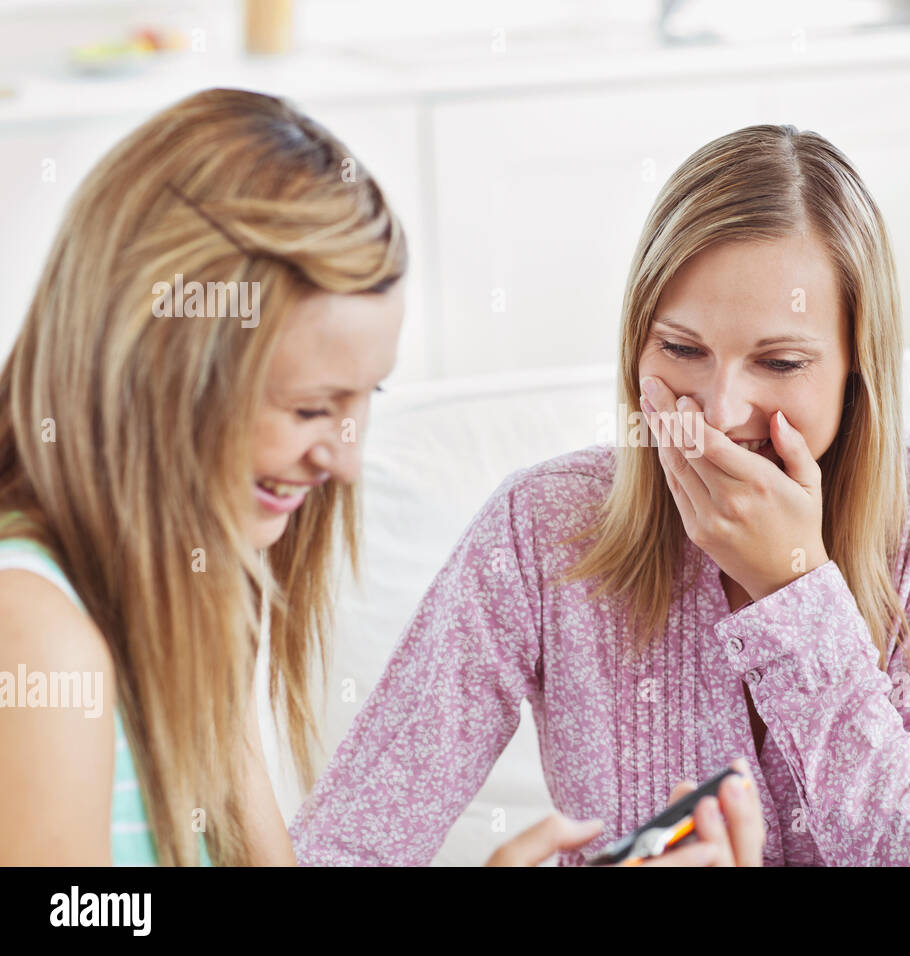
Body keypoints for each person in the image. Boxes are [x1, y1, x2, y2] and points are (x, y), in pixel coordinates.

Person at [0, 88, 755, 866]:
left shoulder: (191, 609)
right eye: (308, 409)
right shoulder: (35, 629)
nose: (346, 460)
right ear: (153, 371)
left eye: (366, 399)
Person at [289, 124, 910, 866]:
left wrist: (792, 589)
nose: (719, 412)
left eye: (781, 362)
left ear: (858, 363)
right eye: (682, 349)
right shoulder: (544, 529)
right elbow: (350, 841)